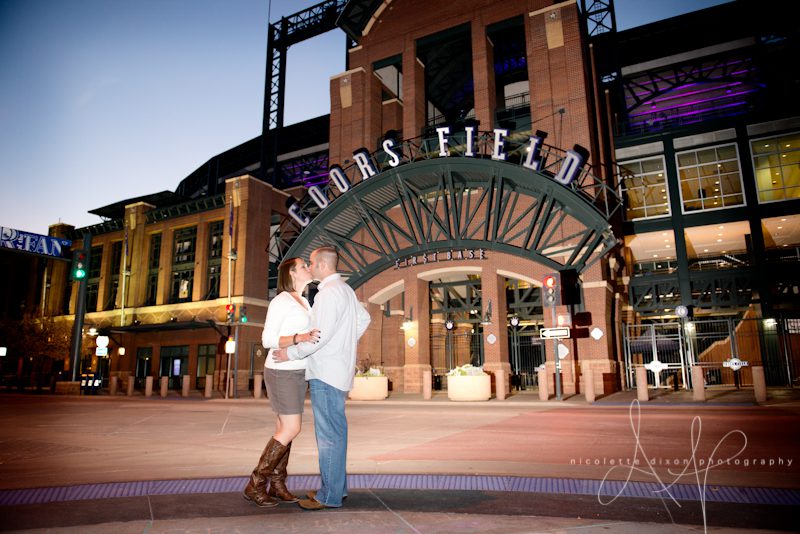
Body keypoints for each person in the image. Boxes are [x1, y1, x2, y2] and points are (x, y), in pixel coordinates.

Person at [273, 246, 371, 511]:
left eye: (312, 263)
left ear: (323, 266)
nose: (311, 266)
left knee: (328, 437)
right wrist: (344, 342)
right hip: (338, 372)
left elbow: (318, 336)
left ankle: (329, 495)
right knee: (336, 434)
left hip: (326, 373)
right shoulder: (346, 291)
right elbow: (364, 319)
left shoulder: (327, 294)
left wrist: (289, 352)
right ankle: (336, 489)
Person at [242, 257, 320, 508]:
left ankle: (277, 484)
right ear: (292, 274)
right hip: (282, 371)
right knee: (291, 428)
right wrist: (301, 337)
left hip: (297, 372)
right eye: (303, 266)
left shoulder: (304, 301)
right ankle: (255, 484)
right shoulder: (281, 300)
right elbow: (267, 339)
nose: (309, 268)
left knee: (284, 430)